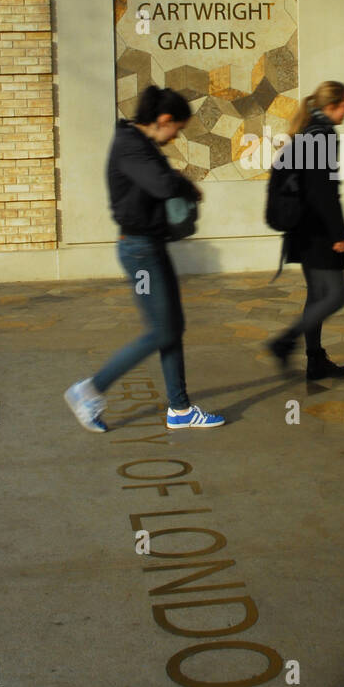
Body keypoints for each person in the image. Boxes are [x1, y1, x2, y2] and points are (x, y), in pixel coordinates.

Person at [64, 85, 225, 432]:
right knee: (160, 331)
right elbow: (163, 186)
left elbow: (161, 181)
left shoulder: (140, 145)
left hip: (150, 245)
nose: (176, 135)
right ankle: (89, 389)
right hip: (139, 253)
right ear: (164, 120)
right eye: (177, 129)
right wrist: (184, 184)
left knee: (172, 328)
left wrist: (178, 181)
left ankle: (180, 409)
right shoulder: (130, 146)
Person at [267, 81, 344, 379]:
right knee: (336, 296)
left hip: (303, 230)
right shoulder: (323, 136)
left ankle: (315, 360)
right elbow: (322, 192)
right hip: (318, 232)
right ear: (333, 105)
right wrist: (338, 234)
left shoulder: (307, 133)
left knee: (317, 296)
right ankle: (285, 341)